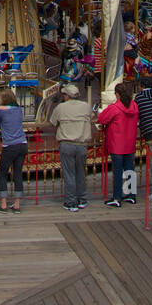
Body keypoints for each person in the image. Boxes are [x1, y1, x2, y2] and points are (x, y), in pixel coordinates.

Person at [49, 83, 93, 212]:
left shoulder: (61, 107)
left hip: (67, 143)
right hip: (81, 144)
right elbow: (92, 117)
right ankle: (82, 199)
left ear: (66, 96)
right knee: (80, 173)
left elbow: (52, 122)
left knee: (69, 174)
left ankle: (71, 201)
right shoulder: (86, 106)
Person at [97, 81, 139, 206]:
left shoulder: (115, 108)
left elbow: (101, 119)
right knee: (130, 170)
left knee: (117, 171)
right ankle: (131, 195)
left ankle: (117, 197)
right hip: (130, 142)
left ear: (118, 94)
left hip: (117, 144)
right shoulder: (134, 106)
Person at [0, 89, 28, 211]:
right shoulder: (19, 109)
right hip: (22, 143)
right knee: (17, 173)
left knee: (3, 173)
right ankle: (17, 204)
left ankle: (3, 203)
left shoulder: (1, 110)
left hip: (10, 145)